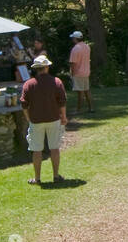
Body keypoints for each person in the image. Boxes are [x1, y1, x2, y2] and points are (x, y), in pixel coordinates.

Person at [20, 55, 68, 185]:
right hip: (53, 118)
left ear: (36, 69)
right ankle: (56, 175)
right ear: (46, 67)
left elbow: (24, 104)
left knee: (37, 150)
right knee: (54, 148)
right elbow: (62, 102)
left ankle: (37, 178)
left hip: (36, 120)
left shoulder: (29, 84)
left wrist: (28, 118)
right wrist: (63, 116)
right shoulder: (56, 82)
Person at [68, 30, 93, 113]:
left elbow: (72, 63)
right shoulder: (87, 47)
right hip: (86, 72)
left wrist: (72, 73)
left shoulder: (75, 49)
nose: (72, 39)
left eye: (73, 38)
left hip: (78, 72)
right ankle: (91, 108)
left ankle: (78, 110)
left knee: (80, 92)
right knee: (87, 90)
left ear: (75, 38)